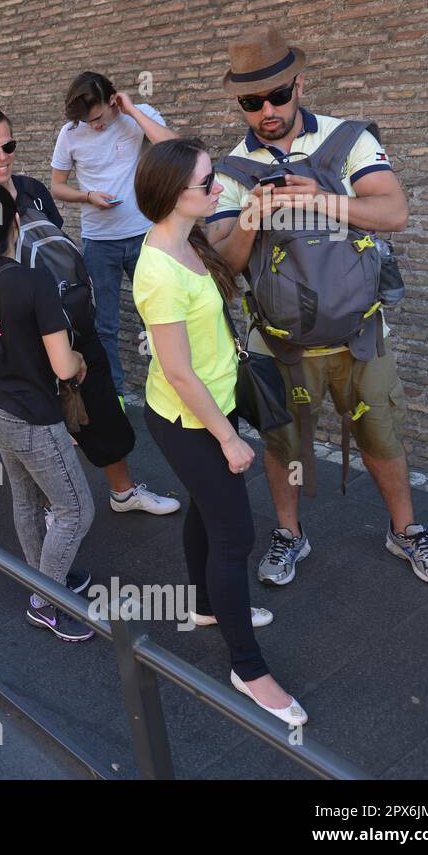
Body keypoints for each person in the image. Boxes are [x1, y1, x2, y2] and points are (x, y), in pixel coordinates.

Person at [206, 27, 428, 587]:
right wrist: (252, 216)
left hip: (361, 336)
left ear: (299, 84)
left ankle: (405, 530)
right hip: (280, 341)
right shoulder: (230, 171)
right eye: (251, 102)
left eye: (277, 96)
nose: (266, 111)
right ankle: (290, 533)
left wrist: (320, 199)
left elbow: (393, 212)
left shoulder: (348, 140)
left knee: (381, 436)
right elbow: (224, 265)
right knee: (282, 443)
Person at [133, 137, 305, 725]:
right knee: (234, 537)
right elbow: (178, 371)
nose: (215, 190)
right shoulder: (157, 267)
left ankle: (206, 606)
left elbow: (224, 274)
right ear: (172, 194)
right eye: (207, 184)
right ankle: (248, 668)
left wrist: (250, 217)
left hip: (213, 404)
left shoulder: (188, 240)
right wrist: (229, 440)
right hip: (188, 419)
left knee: (206, 513)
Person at [0, 105, 180, 516]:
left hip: (76, 335)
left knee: (105, 417)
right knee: (46, 456)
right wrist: (21, 363)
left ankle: (123, 492)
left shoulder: (34, 190)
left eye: (8, 145)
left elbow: (60, 252)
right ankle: (55, 519)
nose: (2, 157)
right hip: (24, 358)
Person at [0, 183, 95, 642]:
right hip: (31, 415)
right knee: (75, 509)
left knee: (27, 498)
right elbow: (62, 365)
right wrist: (80, 363)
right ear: (15, 221)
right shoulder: (34, 281)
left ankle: (45, 579)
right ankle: (47, 601)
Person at [50, 72, 180, 401]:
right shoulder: (70, 134)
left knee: (157, 318)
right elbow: (57, 186)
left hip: (145, 237)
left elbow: (177, 151)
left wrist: (132, 111)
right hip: (99, 242)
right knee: (104, 325)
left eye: (97, 118)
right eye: (86, 121)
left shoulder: (140, 115)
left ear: (113, 100)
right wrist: (87, 195)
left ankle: (168, 389)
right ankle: (115, 395)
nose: (93, 126)